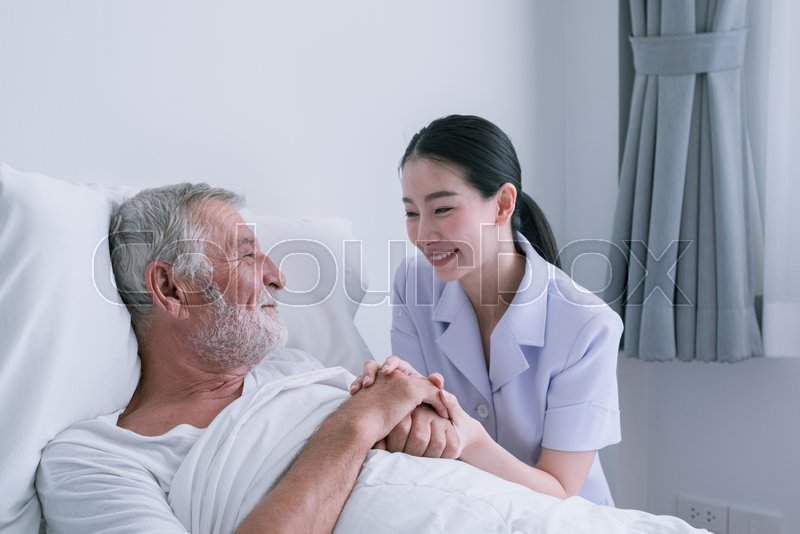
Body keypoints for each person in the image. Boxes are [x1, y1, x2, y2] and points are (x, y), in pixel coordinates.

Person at [35, 184, 459, 533]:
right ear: (171, 287)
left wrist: (415, 414)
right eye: (247, 254)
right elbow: (364, 423)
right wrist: (360, 421)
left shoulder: (300, 369)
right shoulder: (95, 461)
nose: (277, 276)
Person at [351, 114, 623, 505]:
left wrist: (471, 438)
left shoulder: (588, 325)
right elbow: (419, 407)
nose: (424, 235)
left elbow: (561, 490)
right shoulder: (413, 283)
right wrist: (390, 391)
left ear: (503, 204)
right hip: (459, 507)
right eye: (412, 213)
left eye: (442, 209)